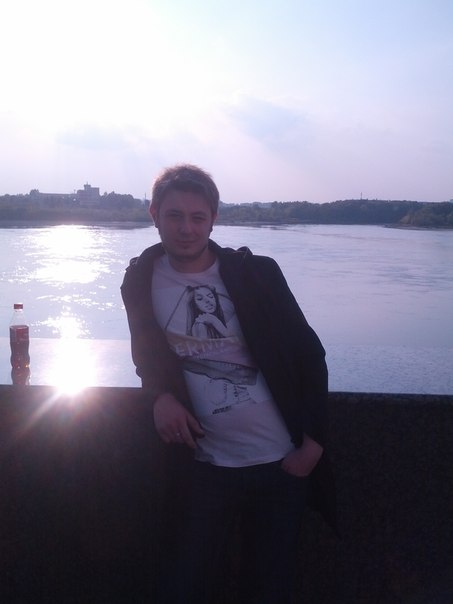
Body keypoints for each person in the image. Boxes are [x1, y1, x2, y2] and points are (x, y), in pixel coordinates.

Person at [121, 164, 335, 603]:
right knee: (182, 584)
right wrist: (158, 396)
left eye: (197, 217)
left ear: (213, 219)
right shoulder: (140, 280)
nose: (186, 228)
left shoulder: (256, 274)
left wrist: (313, 445)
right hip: (203, 466)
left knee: (268, 588)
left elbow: (309, 355)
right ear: (154, 214)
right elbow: (146, 353)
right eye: (174, 215)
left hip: (280, 464)